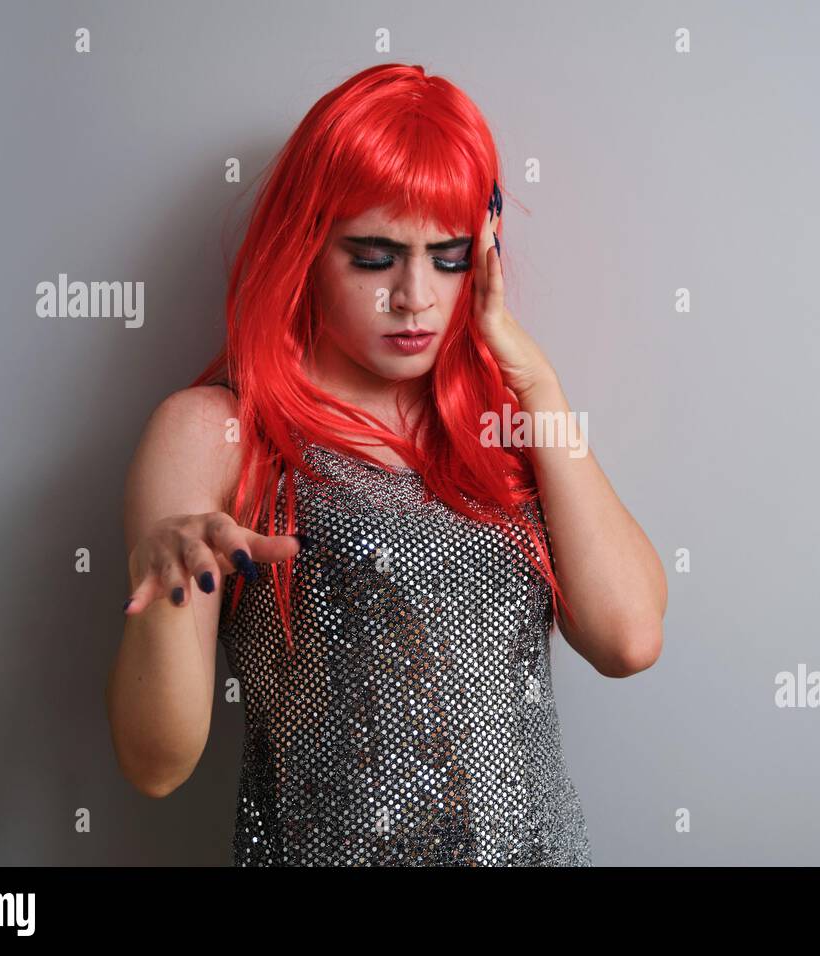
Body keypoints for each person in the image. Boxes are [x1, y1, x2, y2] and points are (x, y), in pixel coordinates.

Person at [104, 63, 667, 866]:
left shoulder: (502, 428)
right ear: (305, 247)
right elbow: (155, 766)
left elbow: (629, 639)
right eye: (374, 257)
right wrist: (162, 582)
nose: (415, 296)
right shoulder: (218, 431)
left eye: (448, 256)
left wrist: (537, 385)